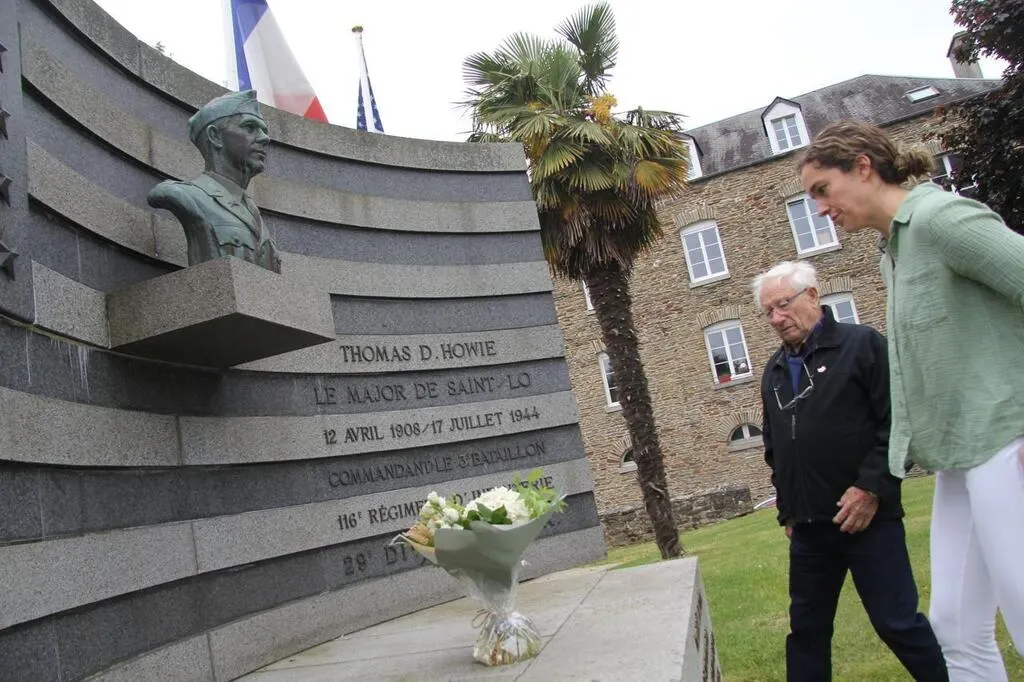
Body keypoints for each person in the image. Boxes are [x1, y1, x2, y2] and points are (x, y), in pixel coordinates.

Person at [798, 119, 1024, 682]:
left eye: (823, 190)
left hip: (1006, 443)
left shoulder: (942, 219)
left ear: (863, 166)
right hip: (958, 459)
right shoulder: (893, 250)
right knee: (953, 627)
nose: (821, 209)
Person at [754, 260, 947, 682]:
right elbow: (775, 445)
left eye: (782, 305)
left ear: (812, 295)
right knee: (806, 632)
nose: (776, 318)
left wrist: (870, 488)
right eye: (767, 311)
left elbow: (898, 421)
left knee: (897, 623)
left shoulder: (862, 346)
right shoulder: (772, 371)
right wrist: (787, 508)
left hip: (868, 520)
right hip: (808, 530)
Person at [148, 89, 281, 273]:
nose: (265, 138)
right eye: (250, 127)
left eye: (264, 131)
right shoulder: (187, 196)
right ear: (215, 136)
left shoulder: (253, 212)